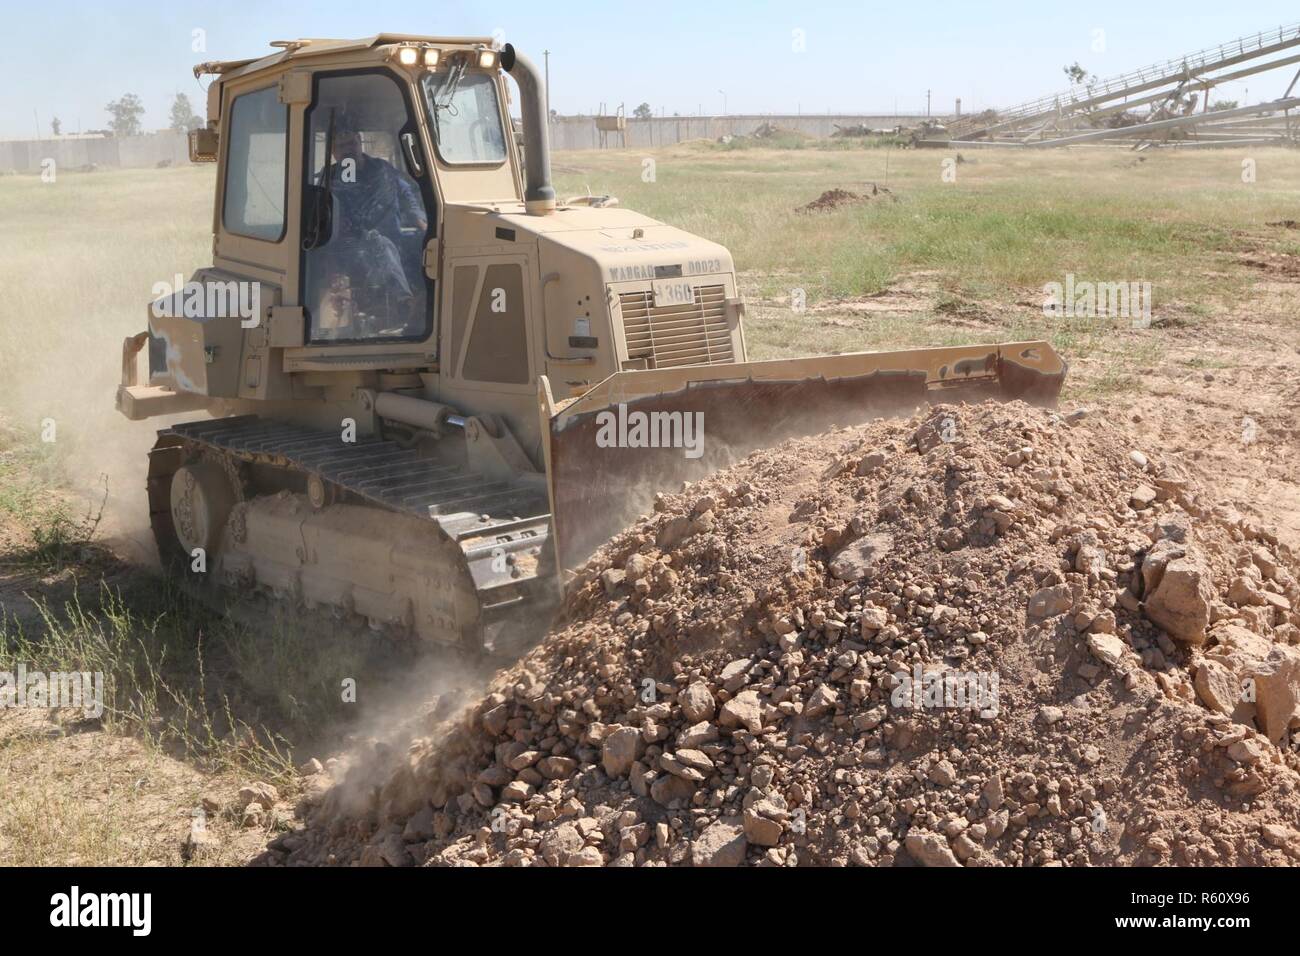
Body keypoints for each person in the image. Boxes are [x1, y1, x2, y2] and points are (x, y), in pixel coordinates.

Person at [312, 110, 429, 337]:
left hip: (394, 244)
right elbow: (319, 213)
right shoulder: (329, 178)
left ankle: (410, 308)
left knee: (390, 244)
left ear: (360, 143)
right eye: (342, 146)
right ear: (334, 152)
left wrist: (422, 224)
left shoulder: (384, 171)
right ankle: (401, 303)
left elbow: (408, 197)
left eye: (352, 143)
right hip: (347, 248)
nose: (349, 149)